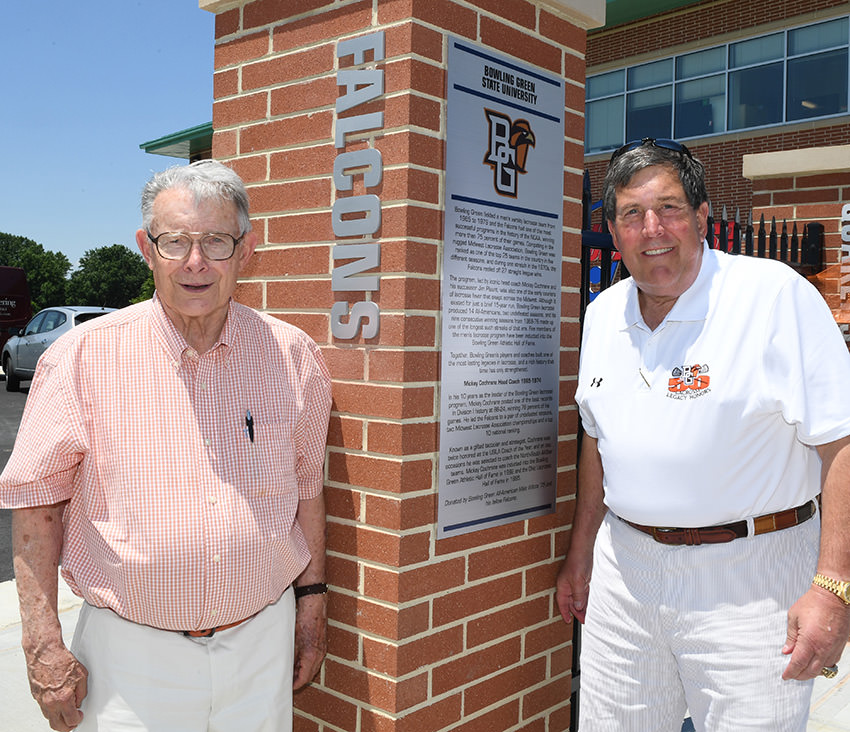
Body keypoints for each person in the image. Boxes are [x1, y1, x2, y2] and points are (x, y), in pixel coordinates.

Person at [0, 160, 333, 732]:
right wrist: (42, 643)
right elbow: (37, 505)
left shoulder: (293, 357)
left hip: (261, 647)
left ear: (247, 249)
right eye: (175, 241)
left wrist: (312, 605)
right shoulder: (80, 359)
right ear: (146, 249)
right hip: (129, 663)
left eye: (217, 241)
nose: (195, 261)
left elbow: (306, 491)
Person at [556, 138, 850, 731]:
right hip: (626, 575)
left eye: (668, 208)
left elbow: (841, 441)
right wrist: (581, 554)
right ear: (613, 231)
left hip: (751, 577)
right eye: (632, 214)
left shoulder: (773, 295)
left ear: (701, 216)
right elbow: (597, 440)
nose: (652, 229)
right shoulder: (602, 314)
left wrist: (832, 587)